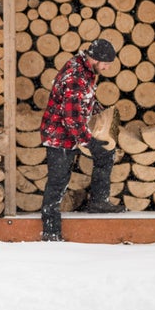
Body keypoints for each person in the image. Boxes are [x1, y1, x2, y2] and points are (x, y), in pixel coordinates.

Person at [39, 38, 125, 242]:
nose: (107, 68)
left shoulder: (87, 71)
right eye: (106, 64)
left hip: (74, 132)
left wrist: (100, 115)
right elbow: (71, 116)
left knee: (106, 155)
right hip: (58, 135)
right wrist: (89, 142)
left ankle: (98, 201)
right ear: (95, 58)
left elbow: (85, 102)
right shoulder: (75, 75)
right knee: (58, 181)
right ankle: (51, 228)